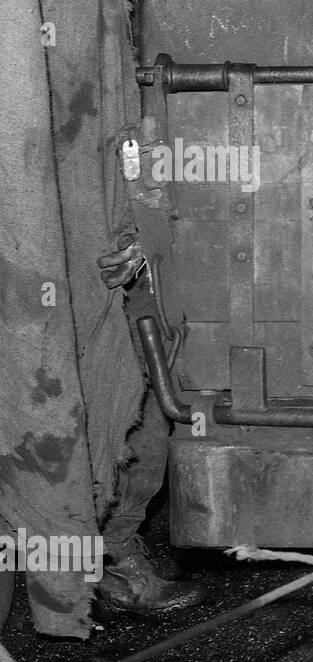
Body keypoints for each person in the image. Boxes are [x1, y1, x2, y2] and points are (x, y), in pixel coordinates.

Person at [94, 234, 207, 618]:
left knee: (152, 414)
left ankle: (106, 557)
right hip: (95, 291)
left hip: (151, 277)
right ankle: (116, 565)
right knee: (131, 423)